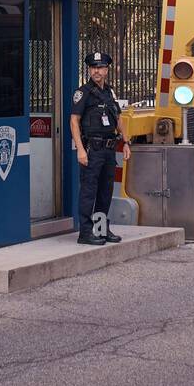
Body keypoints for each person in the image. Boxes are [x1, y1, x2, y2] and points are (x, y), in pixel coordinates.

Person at [71, 51, 129, 246]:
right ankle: (85, 233)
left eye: (101, 68)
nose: (97, 71)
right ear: (89, 69)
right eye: (93, 68)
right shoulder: (83, 92)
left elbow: (118, 119)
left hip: (109, 148)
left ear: (106, 70)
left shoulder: (109, 93)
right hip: (92, 149)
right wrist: (80, 149)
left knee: (105, 191)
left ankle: (101, 229)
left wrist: (126, 142)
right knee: (89, 191)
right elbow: (74, 121)